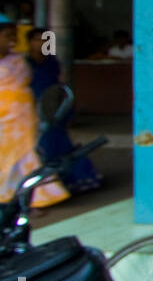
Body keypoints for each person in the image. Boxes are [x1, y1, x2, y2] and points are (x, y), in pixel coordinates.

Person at [0, 19, 69, 208]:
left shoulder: (25, 60)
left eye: (14, 35)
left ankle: (30, 198)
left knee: (24, 153)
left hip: (25, 113)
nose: (12, 40)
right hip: (7, 114)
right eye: (7, 36)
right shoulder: (25, 59)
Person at [24, 27, 102, 194]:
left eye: (45, 40)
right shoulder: (24, 62)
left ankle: (65, 181)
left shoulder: (51, 61)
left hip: (53, 106)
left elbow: (57, 84)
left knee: (58, 143)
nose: (41, 43)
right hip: (29, 107)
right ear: (30, 42)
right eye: (37, 40)